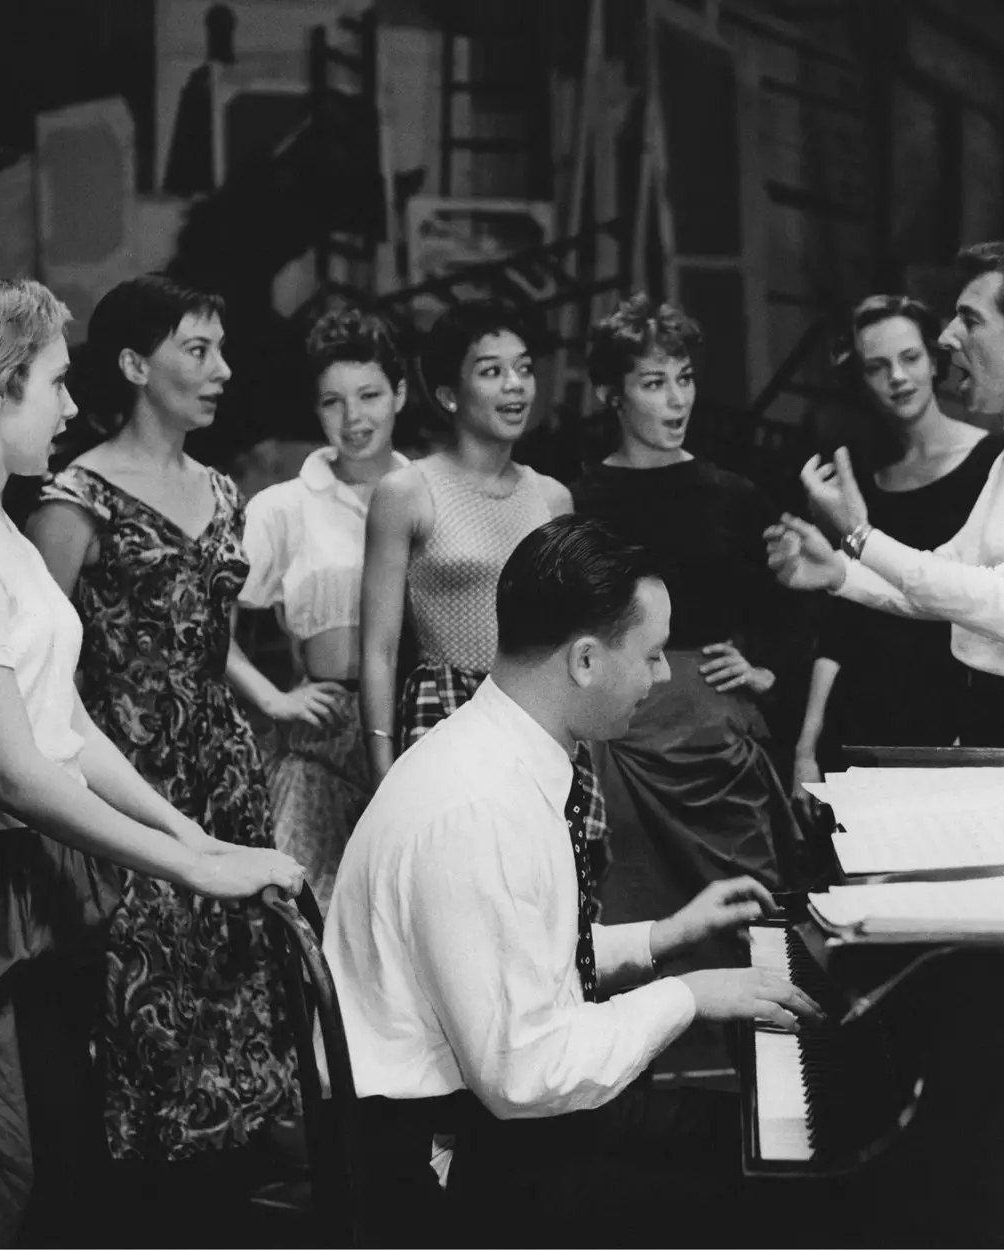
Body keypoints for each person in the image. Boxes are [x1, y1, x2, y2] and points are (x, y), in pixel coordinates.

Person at [0, 275, 302, 1248]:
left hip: (35, 873)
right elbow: (15, 770)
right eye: (57, 383)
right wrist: (188, 864)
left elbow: (66, 722)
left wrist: (189, 832)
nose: (71, 405)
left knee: (65, 1166)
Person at [325, 515, 822, 1243]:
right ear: (585, 661)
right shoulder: (481, 809)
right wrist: (689, 994)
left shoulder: (491, 750)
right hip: (444, 1159)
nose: (662, 677)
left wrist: (663, 935)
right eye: (652, 656)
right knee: (764, 1186)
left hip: (472, 1107)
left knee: (738, 1138)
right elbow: (525, 1075)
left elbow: (513, 946)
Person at [25, 275, 300, 1172]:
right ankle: (141, 1183)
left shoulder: (222, 490)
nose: (220, 370)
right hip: (125, 774)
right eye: (198, 350)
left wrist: (263, 699)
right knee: (143, 987)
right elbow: (35, 656)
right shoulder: (76, 498)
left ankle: (234, 1167)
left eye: (221, 350)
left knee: (234, 968)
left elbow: (199, 627)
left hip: (221, 768)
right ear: (137, 365)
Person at [767, 238, 1004, 748]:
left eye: (970, 320)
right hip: (993, 714)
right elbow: (948, 581)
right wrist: (843, 574)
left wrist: (861, 537)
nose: (948, 337)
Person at [570, 294, 800, 935]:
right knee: (632, 923)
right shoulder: (578, 501)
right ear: (611, 395)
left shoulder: (734, 495)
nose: (677, 400)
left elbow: (798, 601)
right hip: (618, 740)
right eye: (654, 383)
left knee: (751, 922)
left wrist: (766, 667)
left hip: (715, 740)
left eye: (685, 379)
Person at [793, 294, 1004, 796]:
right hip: (862, 716)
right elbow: (842, 625)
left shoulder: (990, 461)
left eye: (910, 358)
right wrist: (805, 746)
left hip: (954, 717)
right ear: (862, 380)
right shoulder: (864, 482)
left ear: (934, 361)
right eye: (878, 366)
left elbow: (988, 605)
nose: (898, 378)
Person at [358, 298, 569, 784]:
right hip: (446, 713)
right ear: (450, 394)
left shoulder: (553, 499)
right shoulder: (406, 492)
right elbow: (379, 649)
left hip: (538, 717)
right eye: (492, 371)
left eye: (524, 369)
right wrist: (380, 767)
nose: (514, 385)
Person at [240, 308, 409, 910]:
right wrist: (273, 698)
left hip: (420, 729)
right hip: (325, 730)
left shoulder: (433, 495)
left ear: (401, 395)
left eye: (369, 395)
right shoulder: (283, 507)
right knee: (309, 914)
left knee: (406, 923)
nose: (354, 417)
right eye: (333, 402)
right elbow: (204, 623)